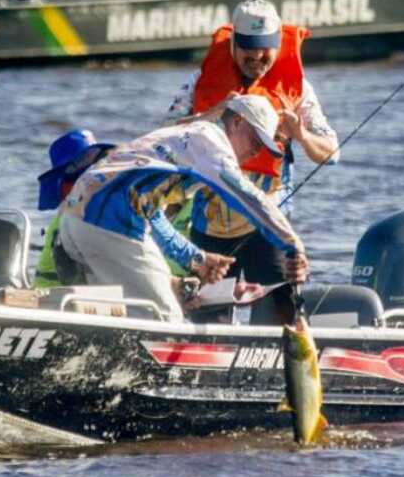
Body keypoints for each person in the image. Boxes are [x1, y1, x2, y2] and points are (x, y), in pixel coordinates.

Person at [165, 0, 339, 326]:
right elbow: (162, 136)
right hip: (210, 230)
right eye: (248, 48)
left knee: (281, 323)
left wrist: (301, 135)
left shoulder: (298, 89)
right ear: (232, 43)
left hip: (268, 231)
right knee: (208, 328)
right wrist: (213, 113)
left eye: (265, 49)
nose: (257, 58)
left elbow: (332, 153)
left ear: (277, 44)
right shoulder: (199, 82)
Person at [57, 95, 310, 322]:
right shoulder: (211, 142)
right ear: (237, 122)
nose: (257, 152)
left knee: (115, 312)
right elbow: (249, 197)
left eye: (262, 147)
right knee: (165, 317)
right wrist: (292, 243)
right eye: (255, 140)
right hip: (107, 226)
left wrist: (196, 259)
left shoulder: (180, 138)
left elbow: (148, 212)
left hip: (74, 222)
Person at [34, 130, 116, 289]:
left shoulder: (96, 208)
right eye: (84, 163)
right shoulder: (76, 215)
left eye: (95, 159)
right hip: (54, 297)